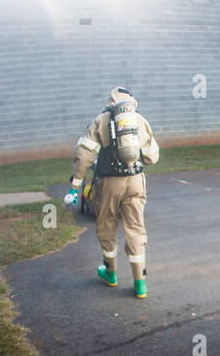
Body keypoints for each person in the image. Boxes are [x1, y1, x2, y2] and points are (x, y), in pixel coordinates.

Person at [64, 86, 160, 297]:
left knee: (107, 224)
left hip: (108, 183)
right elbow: (152, 156)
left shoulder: (101, 120)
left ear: (111, 101)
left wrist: (75, 186)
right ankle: (140, 283)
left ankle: (110, 272)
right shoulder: (139, 120)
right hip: (136, 181)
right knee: (135, 228)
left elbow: (83, 155)